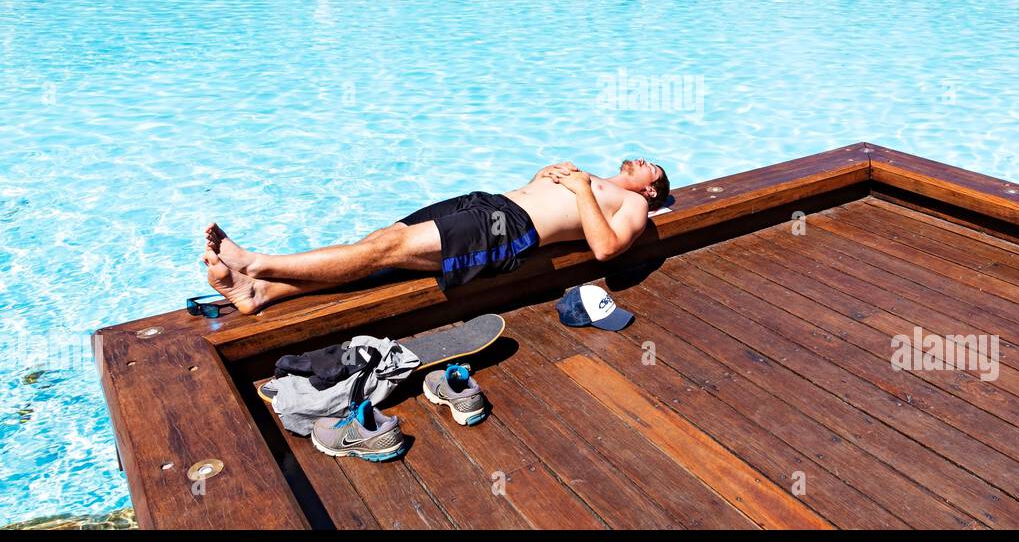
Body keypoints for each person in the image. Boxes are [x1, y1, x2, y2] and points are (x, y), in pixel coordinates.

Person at [202, 159, 671, 314]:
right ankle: (260, 291)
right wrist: (546, 175)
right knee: (383, 241)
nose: (639, 158)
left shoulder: (634, 206)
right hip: (488, 203)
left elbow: (606, 249)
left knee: (386, 251)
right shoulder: (595, 179)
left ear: (651, 187)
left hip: (506, 229)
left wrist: (580, 188)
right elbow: (544, 194)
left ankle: (261, 263)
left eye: (650, 163)